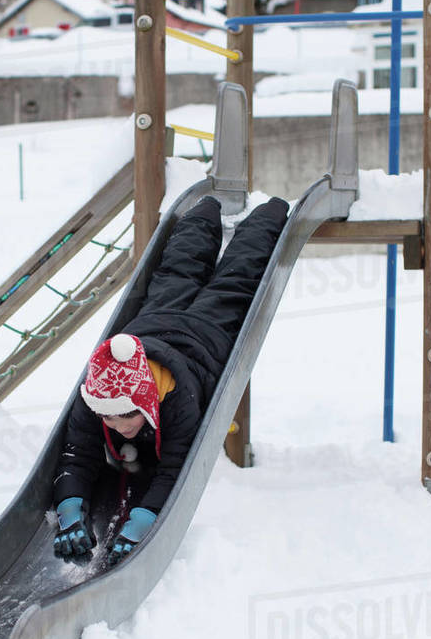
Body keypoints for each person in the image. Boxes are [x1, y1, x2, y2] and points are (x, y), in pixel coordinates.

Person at [52, 193, 289, 564]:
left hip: (206, 333)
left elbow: (174, 469)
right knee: (178, 269)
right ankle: (207, 208)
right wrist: (69, 511)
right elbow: (75, 454)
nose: (116, 425)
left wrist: (140, 524)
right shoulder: (95, 395)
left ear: (147, 402)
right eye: (108, 417)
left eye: (125, 416)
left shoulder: (179, 400)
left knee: (237, 276)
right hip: (154, 319)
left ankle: (266, 214)